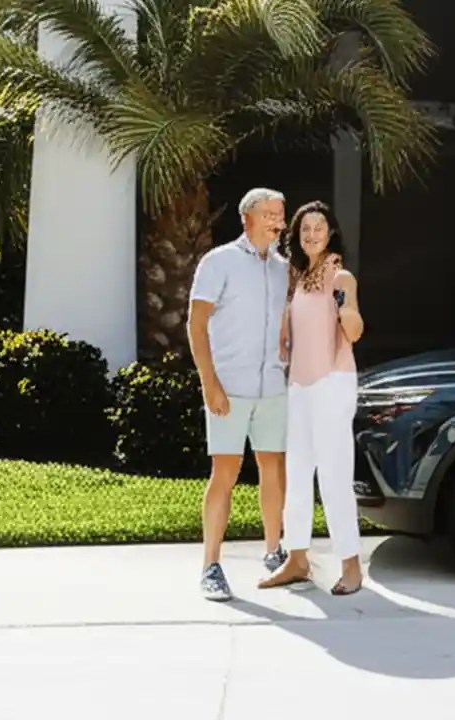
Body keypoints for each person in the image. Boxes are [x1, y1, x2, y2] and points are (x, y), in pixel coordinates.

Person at [258, 200, 366, 595]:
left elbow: (354, 330)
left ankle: (351, 565)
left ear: (331, 232)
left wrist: (346, 311)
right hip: (300, 386)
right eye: (305, 228)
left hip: (332, 383)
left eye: (319, 227)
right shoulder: (299, 278)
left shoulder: (341, 276)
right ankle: (297, 559)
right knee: (298, 474)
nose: (311, 234)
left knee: (334, 475)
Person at [187, 188, 290, 602]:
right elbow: (196, 325)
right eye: (270, 214)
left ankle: (274, 552)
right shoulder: (219, 262)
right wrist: (208, 383)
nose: (278, 221)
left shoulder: (284, 269)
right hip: (229, 388)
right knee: (224, 474)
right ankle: (210, 566)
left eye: (281, 214)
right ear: (247, 218)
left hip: (274, 388)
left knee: (274, 468)